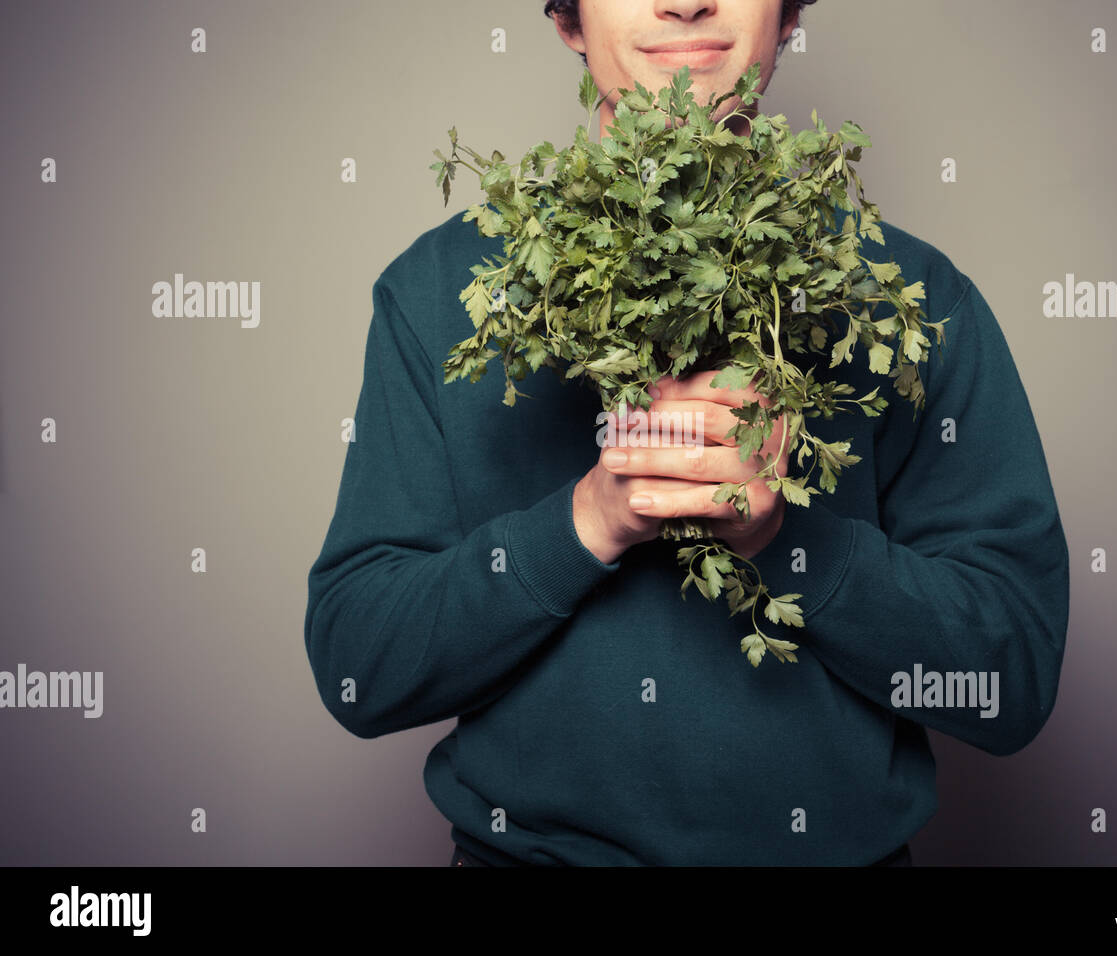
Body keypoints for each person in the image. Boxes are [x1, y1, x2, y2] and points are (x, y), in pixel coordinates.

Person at [304, 0, 1070, 867]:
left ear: (785, 18)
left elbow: (1011, 687)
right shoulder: (437, 296)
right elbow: (357, 668)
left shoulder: (911, 306)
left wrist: (789, 541)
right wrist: (588, 522)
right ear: (568, 17)